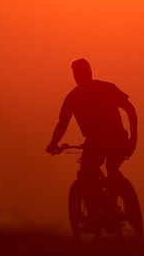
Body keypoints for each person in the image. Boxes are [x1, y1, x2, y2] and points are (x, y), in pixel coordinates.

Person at [46, 58, 138, 227]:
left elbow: (62, 123)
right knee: (112, 168)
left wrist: (53, 144)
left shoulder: (73, 97)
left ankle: (94, 218)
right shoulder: (107, 87)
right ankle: (121, 203)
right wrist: (133, 138)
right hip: (118, 138)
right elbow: (130, 110)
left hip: (96, 142)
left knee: (86, 172)